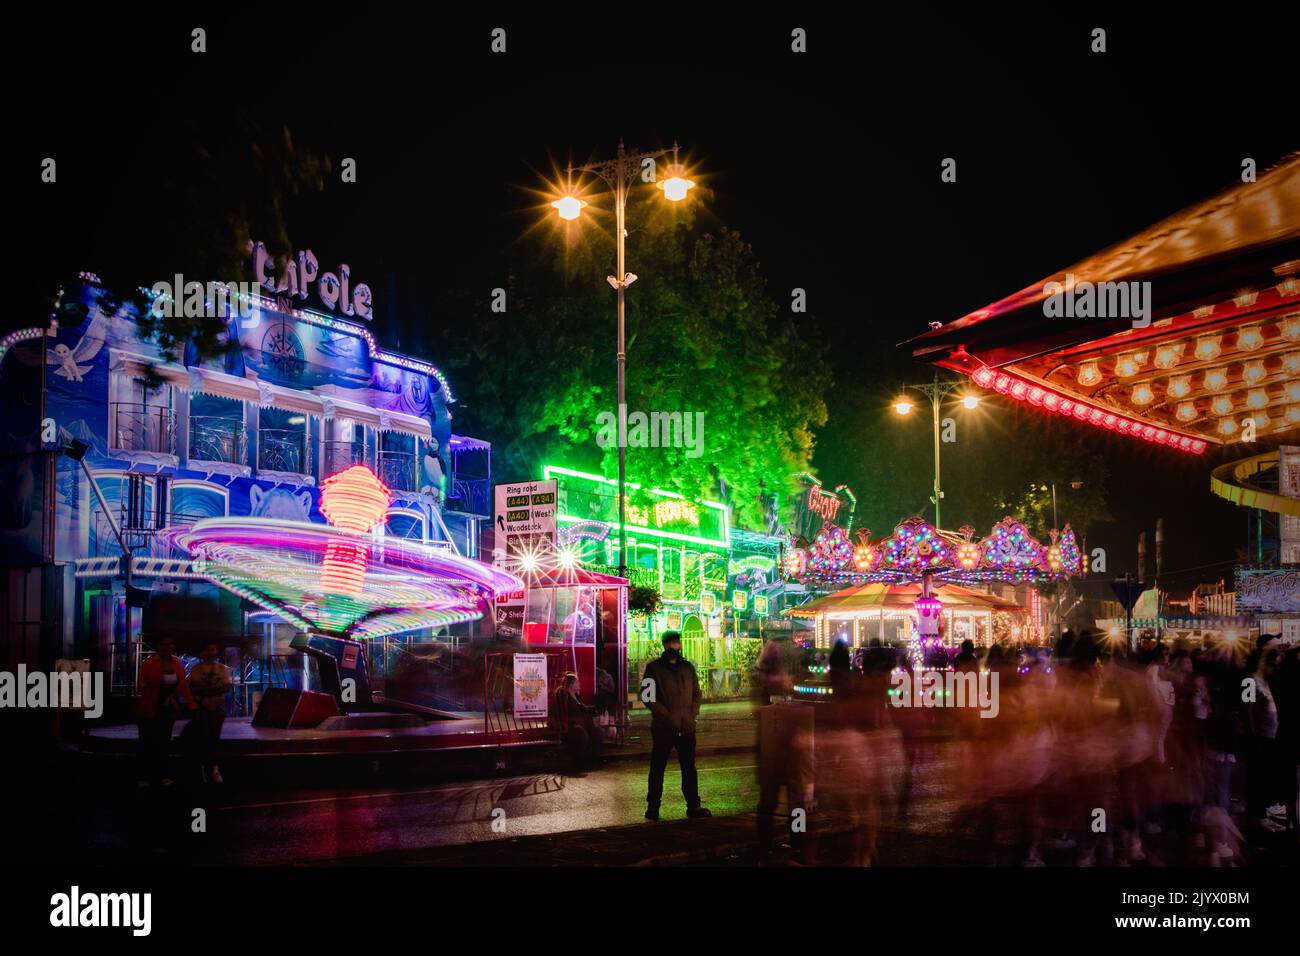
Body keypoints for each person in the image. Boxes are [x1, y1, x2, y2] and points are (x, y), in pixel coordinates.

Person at [642, 631, 711, 820]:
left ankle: (694, 806)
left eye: (676, 642)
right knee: (658, 768)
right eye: (670, 643)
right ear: (664, 645)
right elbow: (647, 696)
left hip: (686, 726)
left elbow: (697, 693)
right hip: (664, 727)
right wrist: (666, 715)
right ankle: (653, 807)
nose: (674, 646)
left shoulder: (688, 668)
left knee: (689, 768)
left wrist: (692, 713)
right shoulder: (654, 668)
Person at [136, 637, 196, 788]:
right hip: (150, 706)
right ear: (158, 647)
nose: (167, 647)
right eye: (163, 644)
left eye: (170, 644)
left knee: (163, 742)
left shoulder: (176, 662)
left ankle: (163, 775)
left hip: (167, 707)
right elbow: (145, 683)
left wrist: (191, 705)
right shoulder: (149, 663)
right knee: (147, 743)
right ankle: (145, 776)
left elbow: (183, 685)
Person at [187, 641, 233, 784]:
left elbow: (226, 687)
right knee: (202, 738)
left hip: (217, 708)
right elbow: (193, 688)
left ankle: (213, 768)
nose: (211, 653)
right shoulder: (195, 670)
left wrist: (205, 692)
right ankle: (203, 768)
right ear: (202, 652)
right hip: (201, 708)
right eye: (208, 649)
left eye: (213, 649)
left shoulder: (223, 669)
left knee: (214, 738)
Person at [555, 672, 601, 769]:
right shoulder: (565, 698)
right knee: (581, 734)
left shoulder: (578, 697)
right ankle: (579, 763)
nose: (579, 684)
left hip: (583, 724)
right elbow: (564, 714)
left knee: (597, 732)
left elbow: (583, 708)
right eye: (577, 682)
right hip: (572, 726)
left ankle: (593, 761)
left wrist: (595, 710)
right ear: (571, 685)